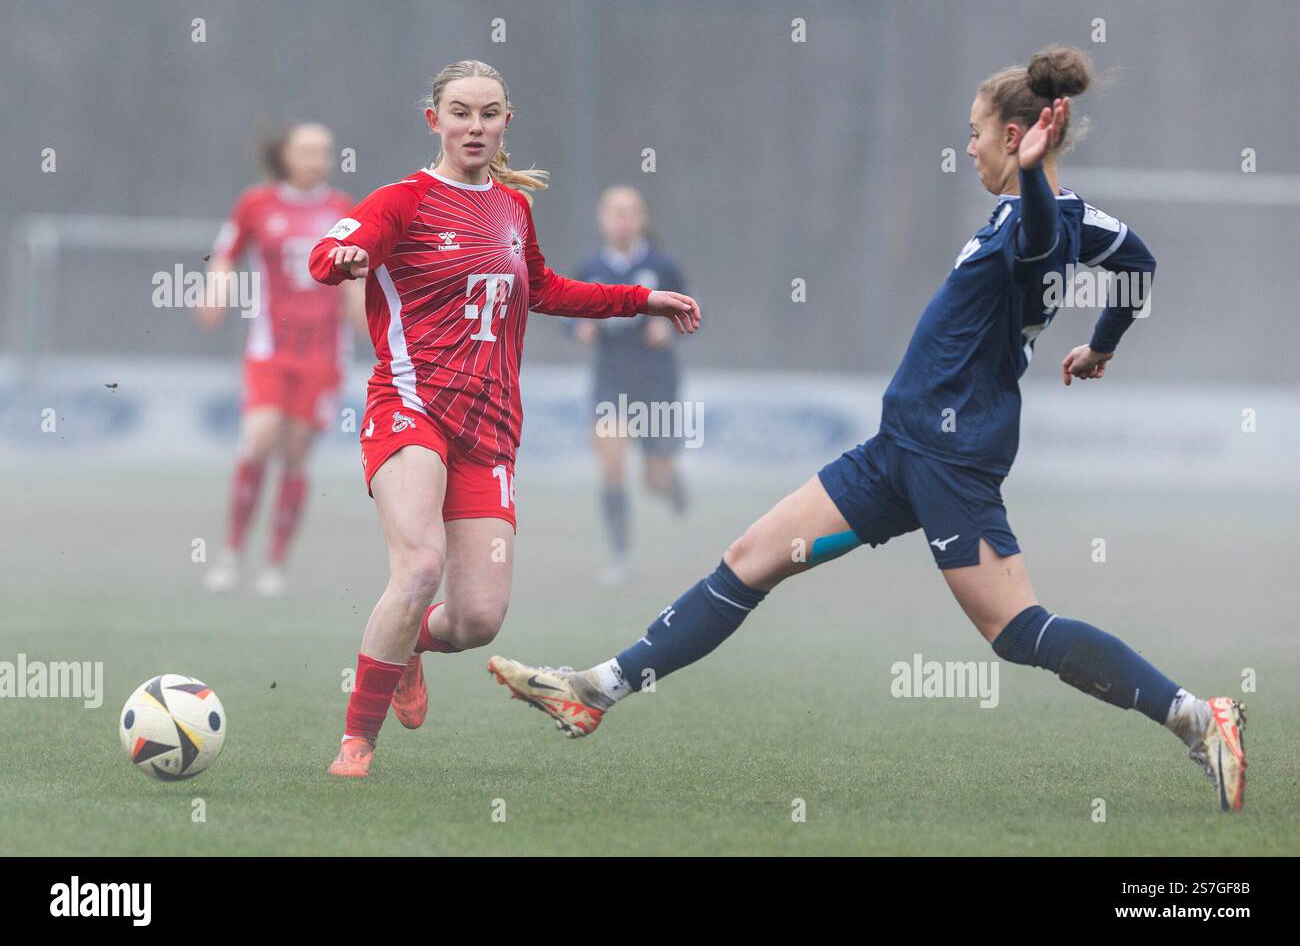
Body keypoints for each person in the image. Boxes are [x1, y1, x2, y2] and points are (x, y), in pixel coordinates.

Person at [487, 46, 1248, 813]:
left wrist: (1036, 187)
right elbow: (1139, 261)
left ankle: (1196, 717)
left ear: (1018, 136)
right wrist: (1104, 343)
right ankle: (597, 690)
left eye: (978, 132)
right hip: (899, 449)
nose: (968, 145)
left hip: (952, 457)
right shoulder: (1062, 216)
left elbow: (1044, 247)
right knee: (752, 558)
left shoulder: (1038, 219)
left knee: (1017, 631)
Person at [307, 60, 701, 778]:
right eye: (460, 112)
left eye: (489, 113)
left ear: (506, 122)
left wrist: (641, 300)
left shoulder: (513, 210)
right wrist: (343, 255)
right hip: (410, 407)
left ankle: (408, 650)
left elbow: (545, 287)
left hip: (489, 429)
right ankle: (356, 742)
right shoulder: (403, 200)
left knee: (478, 620)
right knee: (420, 565)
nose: (474, 126)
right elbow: (327, 255)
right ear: (434, 119)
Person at [199, 122, 363, 596]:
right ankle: (231, 553)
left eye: (325, 151)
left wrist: (361, 314)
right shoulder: (256, 204)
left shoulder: (343, 210)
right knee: (259, 435)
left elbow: (355, 274)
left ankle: (274, 563)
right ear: (286, 156)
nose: (317, 159)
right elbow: (226, 254)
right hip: (271, 347)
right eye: (307, 151)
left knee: (295, 453)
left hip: (325, 352)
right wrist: (217, 289)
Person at [571, 186, 691, 587]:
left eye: (630, 212)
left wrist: (669, 327)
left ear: (642, 219)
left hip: (656, 382)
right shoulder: (589, 268)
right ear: (602, 219)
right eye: (614, 212)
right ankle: (620, 558)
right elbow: (565, 312)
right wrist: (579, 326)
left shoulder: (663, 266)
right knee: (611, 466)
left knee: (654, 478)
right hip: (610, 381)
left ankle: (671, 485)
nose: (622, 219)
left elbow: (692, 313)